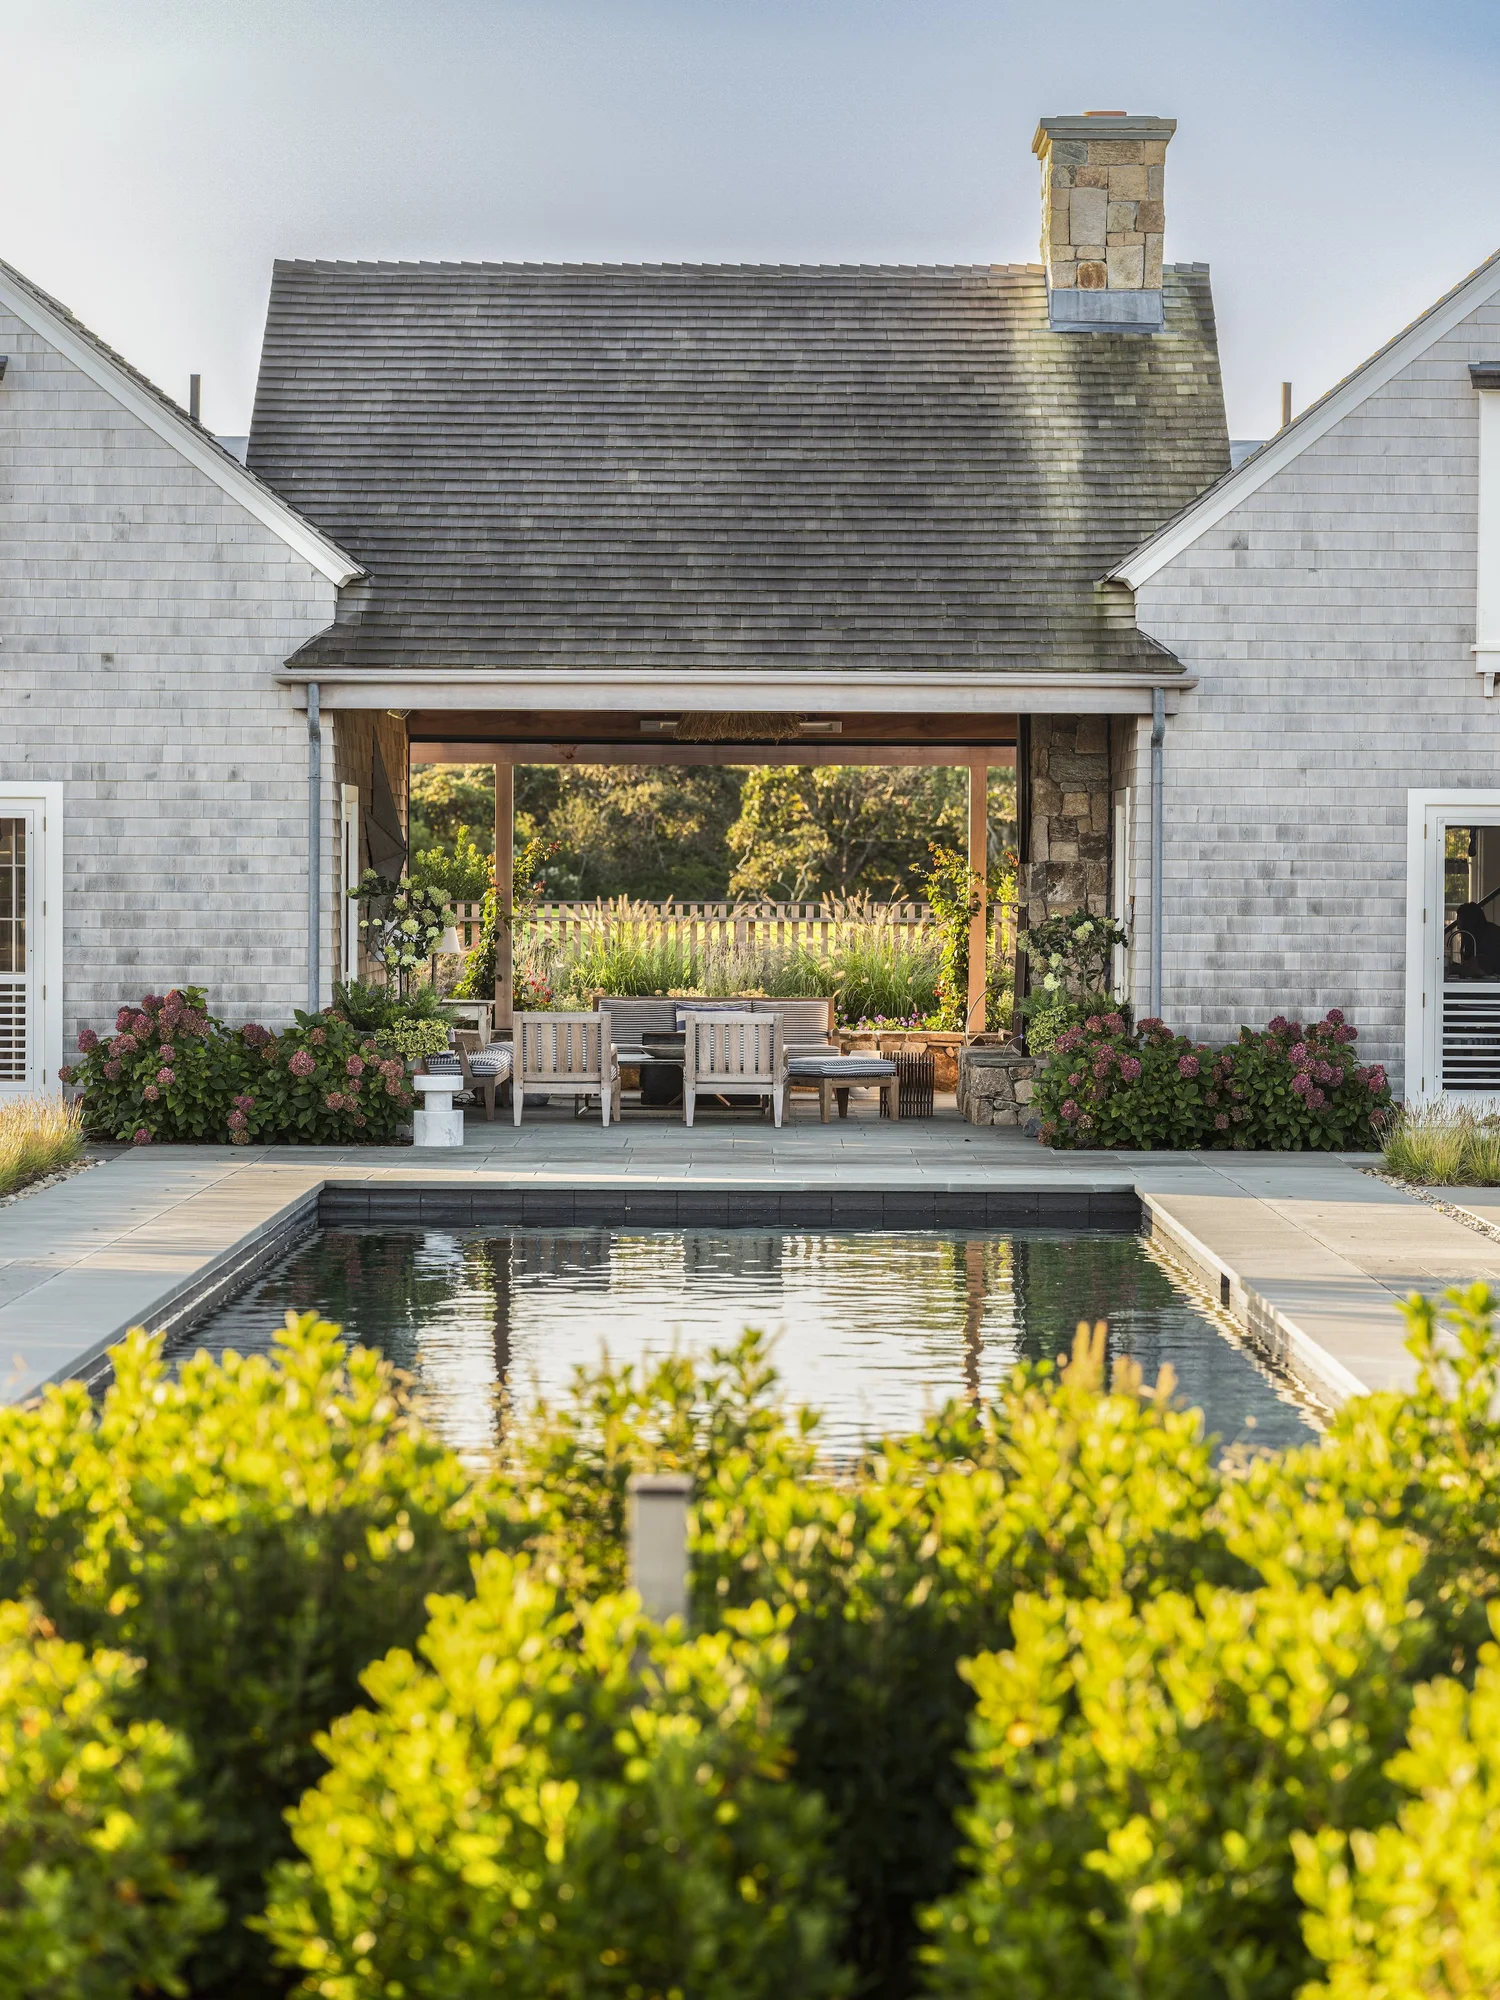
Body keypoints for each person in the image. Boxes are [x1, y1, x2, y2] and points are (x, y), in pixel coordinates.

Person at [1453, 901, 1500, 976]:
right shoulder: (1482, 934)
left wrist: (1455, 969)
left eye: (1460, 922)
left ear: (1469, 922)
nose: (1458, 927)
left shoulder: (1492, 938)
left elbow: (1480, 968)